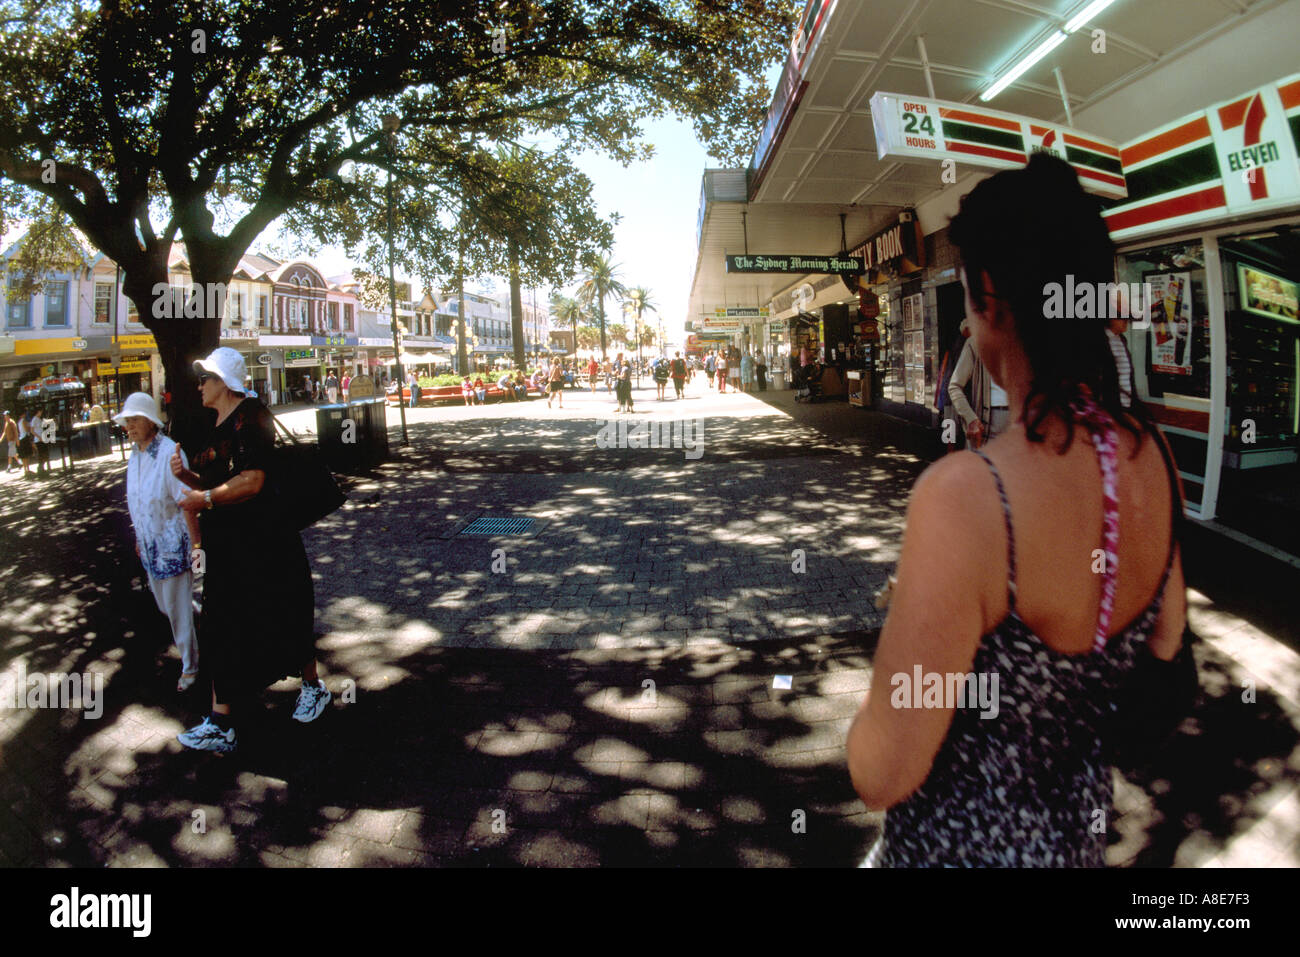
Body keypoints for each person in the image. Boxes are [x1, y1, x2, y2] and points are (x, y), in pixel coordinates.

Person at [846, 153, 1190, 867]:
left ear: (991, 298)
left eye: (968, 305)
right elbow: (1162, 653)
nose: (968, 330)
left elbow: (881, 772)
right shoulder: (1154, 457)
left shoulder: (966, 498)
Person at [172, 347, 331, 752]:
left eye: (205, 377)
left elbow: (252, 481)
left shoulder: (251, 416)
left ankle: (313, 687)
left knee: (285, 612)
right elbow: (219, 480)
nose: (200, 385)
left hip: (264, 540)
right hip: (229, 545)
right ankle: (221, 722)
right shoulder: (218, 422)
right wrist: (188, 477)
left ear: (223, 382)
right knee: (221, 626)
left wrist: (202, 498)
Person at [115, 392, 200, 692]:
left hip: (172, 546)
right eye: (128, 421)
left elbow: (186, 501)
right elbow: (136, 500)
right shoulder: (136, 454)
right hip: (150, 547)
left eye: (136, 419)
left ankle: (191, 668)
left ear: (151, 422)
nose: (130, 426)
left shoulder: (168, 453)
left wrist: (196, 547)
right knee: (167, 607)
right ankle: (196, 617)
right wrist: (139, 537)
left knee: (176, 612)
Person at [947, 317, 1010, 449]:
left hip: (1016, 423)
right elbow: (954, 386)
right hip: (987, 420)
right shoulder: (973, 344)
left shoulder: (1021, 344)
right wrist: (970, 418)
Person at [30, 406, 50, 478]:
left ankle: (42, 469)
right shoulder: (34, 419)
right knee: (41, 455)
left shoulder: (39, 419)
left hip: (42, 438)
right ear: (38, 411)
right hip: (38, 440)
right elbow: (32, 431)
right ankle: (40, 470)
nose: (41, 413)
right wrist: (39, 437)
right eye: (40, 411)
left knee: (44, 454)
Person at [16, 412, 34, 479]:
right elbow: (26, 429)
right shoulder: (23, 421)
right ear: (22, 414)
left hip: (21, 438)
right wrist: (29, 427)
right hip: (25, 438)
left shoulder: (19, 422)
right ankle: (27, 469)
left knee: (23, 456)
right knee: (26, 455)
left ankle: (25, 470)